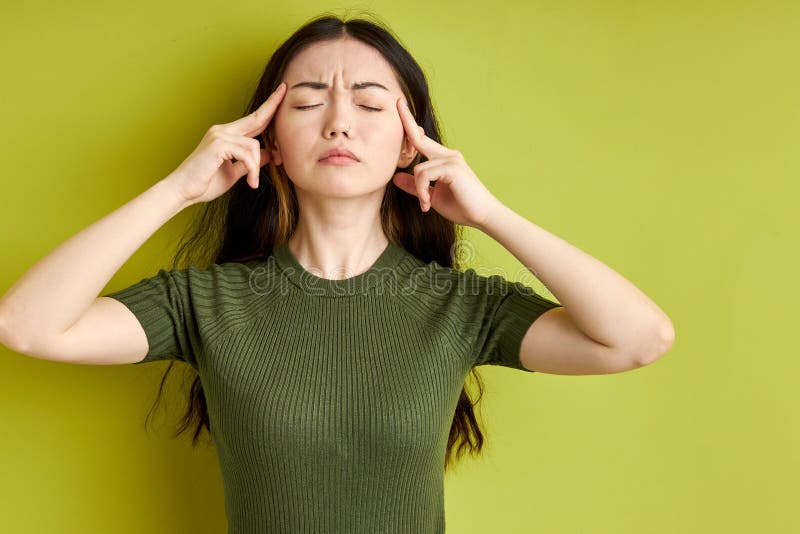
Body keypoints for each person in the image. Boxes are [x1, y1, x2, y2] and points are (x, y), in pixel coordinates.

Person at [0, 12, 674, 534]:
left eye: (373, 105)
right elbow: (26, 325)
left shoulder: (459, 306)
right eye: (308, 102)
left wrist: (491, 213)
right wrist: (179, 188)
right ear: (268, 140)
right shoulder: (206, 302)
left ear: (410, 143)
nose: (340, 123)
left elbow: (640, 338)